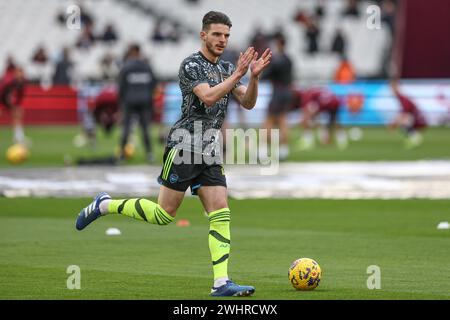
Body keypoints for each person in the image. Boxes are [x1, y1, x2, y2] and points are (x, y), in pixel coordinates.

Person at [75, 11, 272, 297]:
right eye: (217, 34)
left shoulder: (229, 68)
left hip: (208, 149)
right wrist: (239, 74)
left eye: (226, 36)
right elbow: (207, 96)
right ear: (203, 34)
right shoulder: (191, 65)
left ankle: (221, 283)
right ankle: (105, 205)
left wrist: (252, 78)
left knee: (220, 210)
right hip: (183, 146)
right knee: (164, 213)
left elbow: (249, 103)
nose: (222, 40)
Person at [117, 44, 157, 162]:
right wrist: (149, 98)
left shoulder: (126, 67)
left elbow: (121, 87)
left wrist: (121, 104)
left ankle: (122, 155)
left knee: (126, 129)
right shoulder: (146, 66)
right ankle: (149, 154)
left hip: (130, 101)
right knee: (145, 129)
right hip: (144, 101)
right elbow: (153, 84)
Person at [260, 33, 293, 161]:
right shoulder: (289, 59)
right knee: (283, 121)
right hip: (287, 91)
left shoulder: (277, 59)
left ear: (279, 43)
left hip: (278, 92)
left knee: (269, 120)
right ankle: (283, 151)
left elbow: (265, 75)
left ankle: (263, 150)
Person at [389, 79, 427, 148]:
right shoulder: (401, 97)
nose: (391, 90)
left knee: (403, 121)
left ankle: (415, 137)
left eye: (393, 87)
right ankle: (414, 137)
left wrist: (394, 124)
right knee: (402, 121)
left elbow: (405, 113)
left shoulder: (403, 98)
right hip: (415, 117)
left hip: (417, 119)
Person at [0, 67, 27, 144]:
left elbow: (19, 96)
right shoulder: (10, 82)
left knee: (18, 115)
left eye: (21, 72)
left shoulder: (23, 83)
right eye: (19, 72)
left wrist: (17, 106)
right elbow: (3, 93)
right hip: (2, 100)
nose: (20, 74)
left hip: (11, 102)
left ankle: (18, 137)